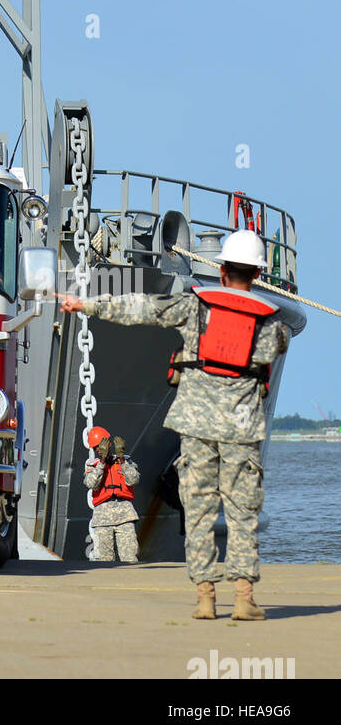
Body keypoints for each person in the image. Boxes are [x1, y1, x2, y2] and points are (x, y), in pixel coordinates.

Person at [59, 229, 288, 620]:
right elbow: (274, 348)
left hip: (195, 427)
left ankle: (204, 597)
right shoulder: (271, 325)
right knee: (241, 511)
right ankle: (245, 598)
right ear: (256, 275)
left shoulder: (193, 307)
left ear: (221, 268)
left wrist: (86, 305)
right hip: (241, 429)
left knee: (197, 509)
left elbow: (142, 308)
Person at [84, 426, 140, 563]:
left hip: (125, 516)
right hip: (103, 518)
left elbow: (134, 479)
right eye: (96, 448)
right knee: (105, 561)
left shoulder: (125, 462)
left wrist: (122, 460)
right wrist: (102, 463)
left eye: (101, 445)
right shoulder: (93, 466)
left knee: (130, 558)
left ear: (109, 443)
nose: (99, 449)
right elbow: (91, 483)